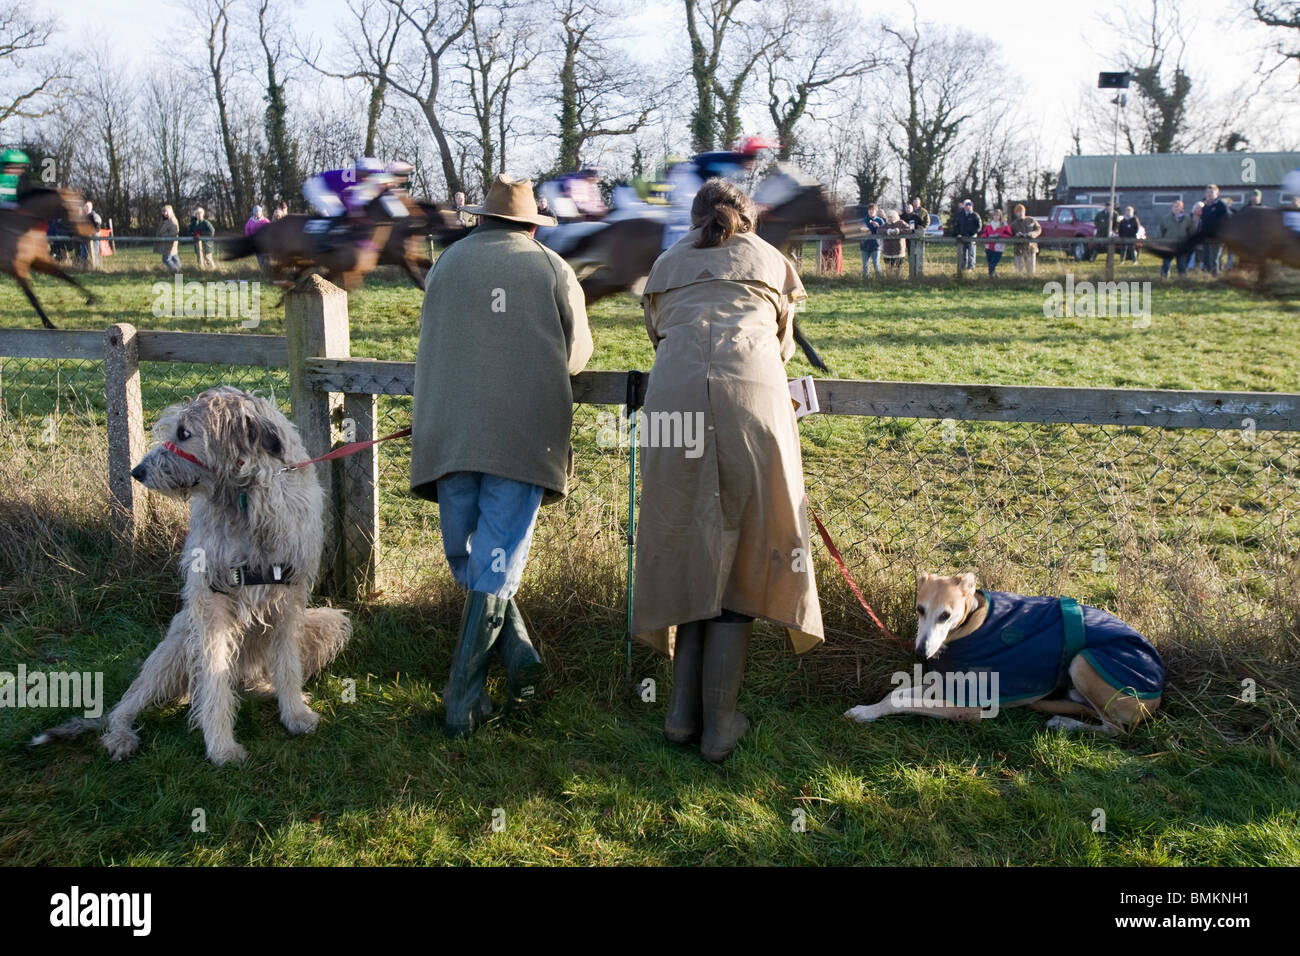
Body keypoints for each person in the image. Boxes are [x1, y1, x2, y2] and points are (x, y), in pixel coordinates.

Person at [632, 178, 823, 763]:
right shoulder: (773, 262)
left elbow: (658, 333)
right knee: (747, 546)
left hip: (673, 407)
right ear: (749, 217)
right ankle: (719, 725)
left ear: (693, 221)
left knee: (687, 539)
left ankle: (678, 715)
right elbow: (785, 348)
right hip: (753, 404)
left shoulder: (666, 264)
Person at [410, 174, 593, 738]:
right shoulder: (550, 268)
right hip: (521, 434)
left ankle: (516, 659)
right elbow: (577, 355)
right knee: (496, 560)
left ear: (482, 219)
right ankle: (461, 698)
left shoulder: (445, 264)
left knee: (470, 556)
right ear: (532, 224)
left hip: (448, 430)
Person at [661, 136, 776, 250]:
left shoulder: (734, 162)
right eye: (753, 158)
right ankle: (672, 250)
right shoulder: (732, 163)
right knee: (691, 214)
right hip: (686, 177)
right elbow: (726, 194)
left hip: (694, 176)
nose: (754, 164)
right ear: (747, 157)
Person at [1198, 184, 1231, 276]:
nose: (1209, 194)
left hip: (1217, 238)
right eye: (1208, 192)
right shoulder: (1205, 207)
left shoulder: (1221, 206)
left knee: (1214, 260)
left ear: (1217, 194)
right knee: (1206, 259)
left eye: (1212, 192)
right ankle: (1208, 278)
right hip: (1206, 238)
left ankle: (1215, 279)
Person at [1155, 199, 1194, 278]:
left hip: (1181, 246)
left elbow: (1191, 231)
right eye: (1174, 206)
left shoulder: (1187, 219)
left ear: (1182, 208)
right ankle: (1164, 280)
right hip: (1168, 245)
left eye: (1177, 206)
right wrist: (1159, 242)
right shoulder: (1165, 219)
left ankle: (1182, 281)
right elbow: (1160, 231)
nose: (1175, 208)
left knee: (1182, 265)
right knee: (1166, 264)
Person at [1009, 203, 1041, 275]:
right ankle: (1019, 283)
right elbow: (1009, 235)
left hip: (1031, 248)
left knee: (1031, 270)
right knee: (1018, 270)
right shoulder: (1013, 225)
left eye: (1022, 211)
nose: (1020, 213)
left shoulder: (1031, 220)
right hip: (1018, 249)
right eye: (1018, 212)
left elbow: (1038, 229)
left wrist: (1032, 234)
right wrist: (1016, 236)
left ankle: (1031, 283)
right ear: (1016, 214)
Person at [979, 208, 1012, 276]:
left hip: (999, 247)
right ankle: (993, 276)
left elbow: (1009, 234)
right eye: (995, 215)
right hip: (988, 246)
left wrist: (1000, 235)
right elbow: (984, 233)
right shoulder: (989, 224)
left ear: (1000, 216)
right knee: (990, 263)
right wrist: (986, 236)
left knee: (993, 263)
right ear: (992, 216)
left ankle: (993, 275)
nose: (996, 217)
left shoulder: (1004, 224)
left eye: (998, 215)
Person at [880, 209, 912, 276]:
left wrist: (898, 231)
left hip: (898, 251)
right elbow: (879, 230)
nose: (890, 218)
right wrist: (888, 231)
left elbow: (909, 229)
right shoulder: (885, 224)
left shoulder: (901, 223)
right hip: (887, 251)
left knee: (898, 269)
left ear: (896, 217)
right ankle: (889, 282)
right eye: (888, 217)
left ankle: (897, 282)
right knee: (888, 269)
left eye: (892, 217)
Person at [954, 199, 981, 271]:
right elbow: (957, 225)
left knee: (971, 252)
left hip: (972, 237)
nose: (968, 206)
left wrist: (973, 233)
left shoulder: (975, 215)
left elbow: (979, 226)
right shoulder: (960, 215)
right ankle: (963, 267)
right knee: (962, 253)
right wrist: (958, 234)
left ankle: (971, 268)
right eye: (966, 204)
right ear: (964, 206)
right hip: (962, 237)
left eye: (970, 204)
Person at [859, 202, 884, 281]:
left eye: (873, 210)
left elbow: (884, 232)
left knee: (876, 264)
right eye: (870, 210)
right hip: (864, 245)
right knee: (865, 265)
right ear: (867, 211)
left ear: (876, 211)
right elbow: (858, 230)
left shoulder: (880, 220)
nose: (871, 211)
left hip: (876, 245)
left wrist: (878, 227)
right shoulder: (864, 220)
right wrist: (861, 230)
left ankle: (880, 280)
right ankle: (866, 281)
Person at [155, 204, 181, 274]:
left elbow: (174, 233)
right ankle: (179, 271)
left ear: (170, 212)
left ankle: (175, 271)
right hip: (166, 243)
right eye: (163, 212)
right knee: (174, 258)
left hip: (169, 243)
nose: (164, 213)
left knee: (166, 259)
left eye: (166, 212)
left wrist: (163, 236)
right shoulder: (164, 220)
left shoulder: (172, 220)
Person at [245, 204, 271, 269]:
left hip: (264, 242)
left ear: (261, 212)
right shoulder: (250, 220)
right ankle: (262, 270)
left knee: (266, 257)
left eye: (258, 211)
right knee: (259, 257)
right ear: (253, 212)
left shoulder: (265, 220)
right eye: (256, 211)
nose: (257, 213)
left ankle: (268, 270)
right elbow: (247, 229)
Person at [79, 200, 103, 267]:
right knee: (83, 256)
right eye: (86, 206)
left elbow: (97, 228)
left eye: (88, 206)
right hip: (83, 239)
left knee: (94, 255)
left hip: (93, 239)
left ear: (91, 207)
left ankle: (96, 269)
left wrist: (91, 233)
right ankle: (84, 270)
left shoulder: (94, 216)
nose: (87, 208)